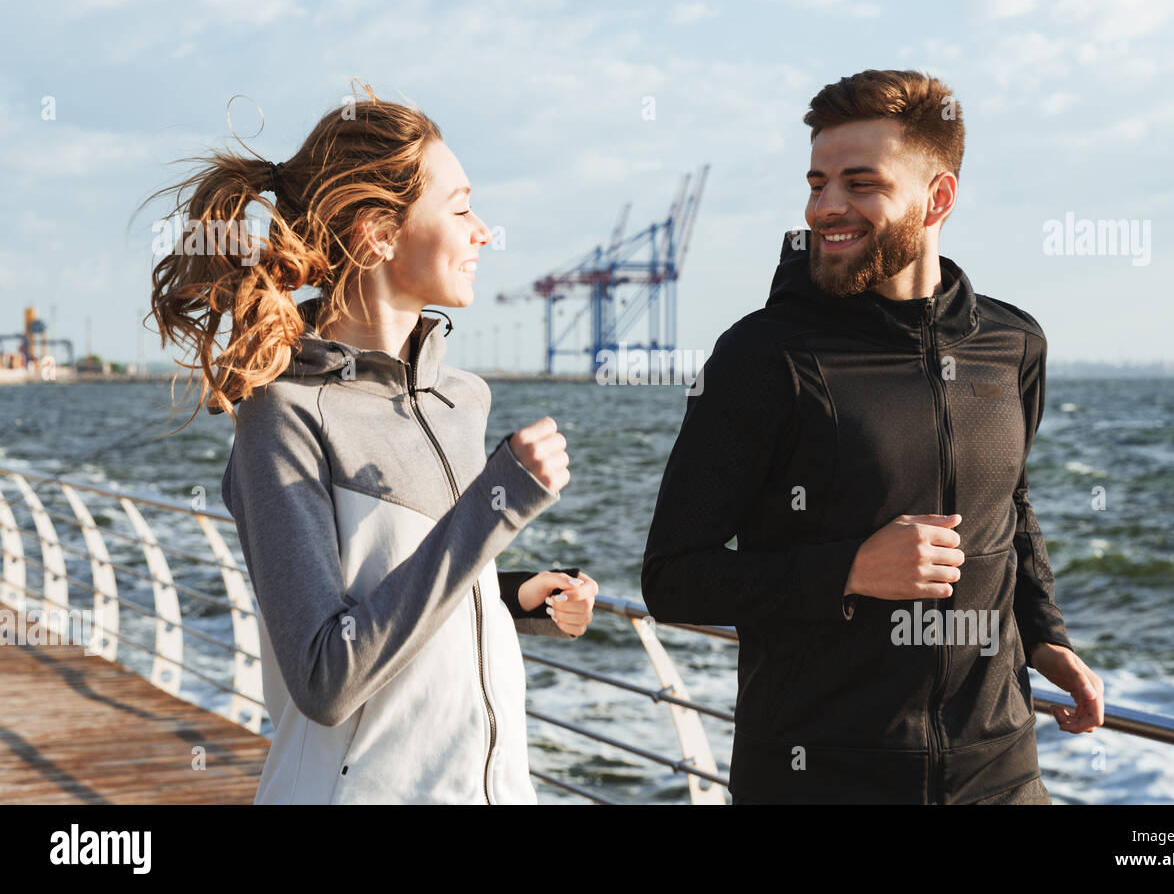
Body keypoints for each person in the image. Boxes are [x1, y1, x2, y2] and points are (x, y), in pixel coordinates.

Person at [641, 69, 1103, 805]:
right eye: (817, 182)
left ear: (937, 198)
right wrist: (849, 570)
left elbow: (1009, 504)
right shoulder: (764, 357)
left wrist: (1044, 632)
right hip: (819, 777)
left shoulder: (1013, 344)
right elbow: (671, 579)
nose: (827, 208)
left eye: (860, 184)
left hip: (1000, 772)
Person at [147, 83, 597, 803]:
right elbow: (328, 675)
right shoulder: (282, 414)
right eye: (460, 209)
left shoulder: (463, 399)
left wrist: (510, 598)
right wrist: (500, 502)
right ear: (378, 233)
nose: (483, 231)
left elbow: (401, 578)